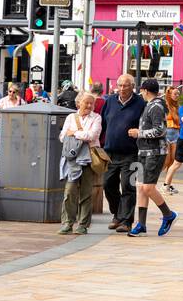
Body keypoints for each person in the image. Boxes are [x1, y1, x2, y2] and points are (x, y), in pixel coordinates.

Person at [125, 78, 176, 237]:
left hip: (155, 153)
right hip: (144, 152)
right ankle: (141, 224)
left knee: (148, 187)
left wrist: (138, 133)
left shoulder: (156, 107)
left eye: (141, 90)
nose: (140, 93)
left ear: (145, 91)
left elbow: (160, 130)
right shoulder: (150, 105)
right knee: (140, 187)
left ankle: (168, 215)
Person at [99, 74, 145, 233]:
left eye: (126, 85)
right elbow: (102, 124)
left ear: (133, 86)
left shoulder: (140, 103)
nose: (122, 89)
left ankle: (126, 221)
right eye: (120, 85)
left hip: (131, 153)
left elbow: (146, 125)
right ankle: (118, 214)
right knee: (107, 184)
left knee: (128, 186)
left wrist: (140, 132)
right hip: (110, 152)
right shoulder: (110, 101)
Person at [57, 92, 103, 235]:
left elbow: (92, 136)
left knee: (86, 193)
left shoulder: (96, 117)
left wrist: (74, 133)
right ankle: (67, 223)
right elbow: (62, 136)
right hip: (72, 159)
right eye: (86, 103)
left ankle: (83, 225)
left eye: (92, 103)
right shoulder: (71, 117)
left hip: (89, 159)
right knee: (70, 191)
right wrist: (80, 134)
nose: (89, 106)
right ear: (79, 103)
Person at [161, 86, 182, 194]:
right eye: (175, 94)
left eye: (178, 94)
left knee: (172, 162)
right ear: (169, 94)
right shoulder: (165, 105)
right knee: (166, 161)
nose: (177, 96)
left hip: (176, 134)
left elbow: (181, 121)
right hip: (167, 133)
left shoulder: (178, 106)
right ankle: (150, 180)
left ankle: (167, 184)